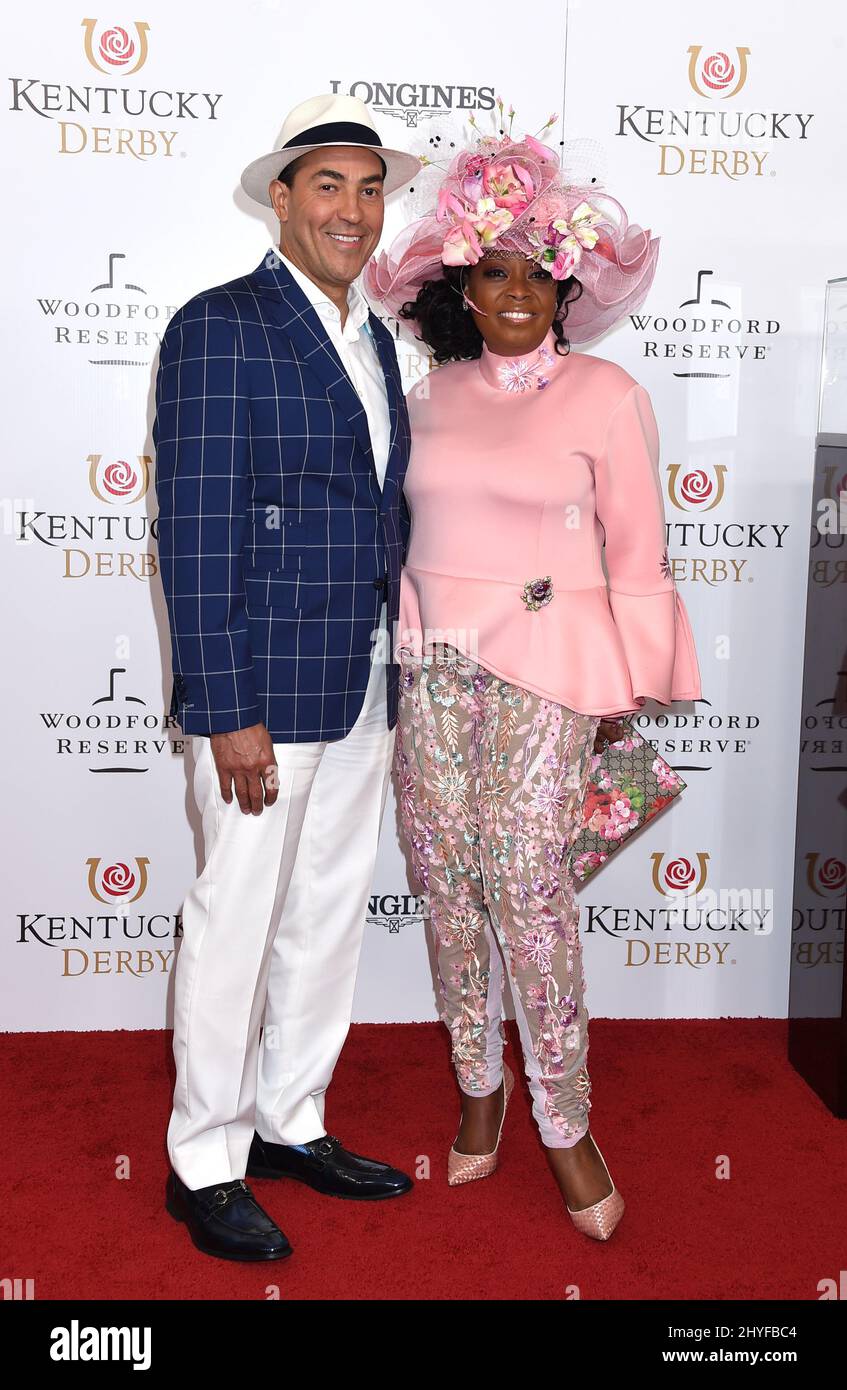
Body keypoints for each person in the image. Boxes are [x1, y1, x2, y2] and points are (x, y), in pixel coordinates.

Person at [364, 105, 702, 1241]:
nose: (511, 293)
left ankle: (564, 1122)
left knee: (529, 891)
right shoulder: (425, 398)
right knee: (443, 880)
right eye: (490, 273)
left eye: (533, 277)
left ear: (565, 290)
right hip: (434, 674)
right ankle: (478, 1087)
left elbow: (640, 552)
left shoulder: (608, 398)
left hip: (549, 674)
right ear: (460, 287)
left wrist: (635, 682)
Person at [153, 93, 421, 1262]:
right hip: (262, 691)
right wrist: (225, 708)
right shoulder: (220, 324)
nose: (352, 211)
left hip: (362, 677)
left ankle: (289, 1120)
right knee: (234, 924)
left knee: (322, 919)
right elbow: (197, 528)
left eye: (370, 189)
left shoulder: (374, 335)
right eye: (328, 185)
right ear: (282, 196)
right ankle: (202, 1156)